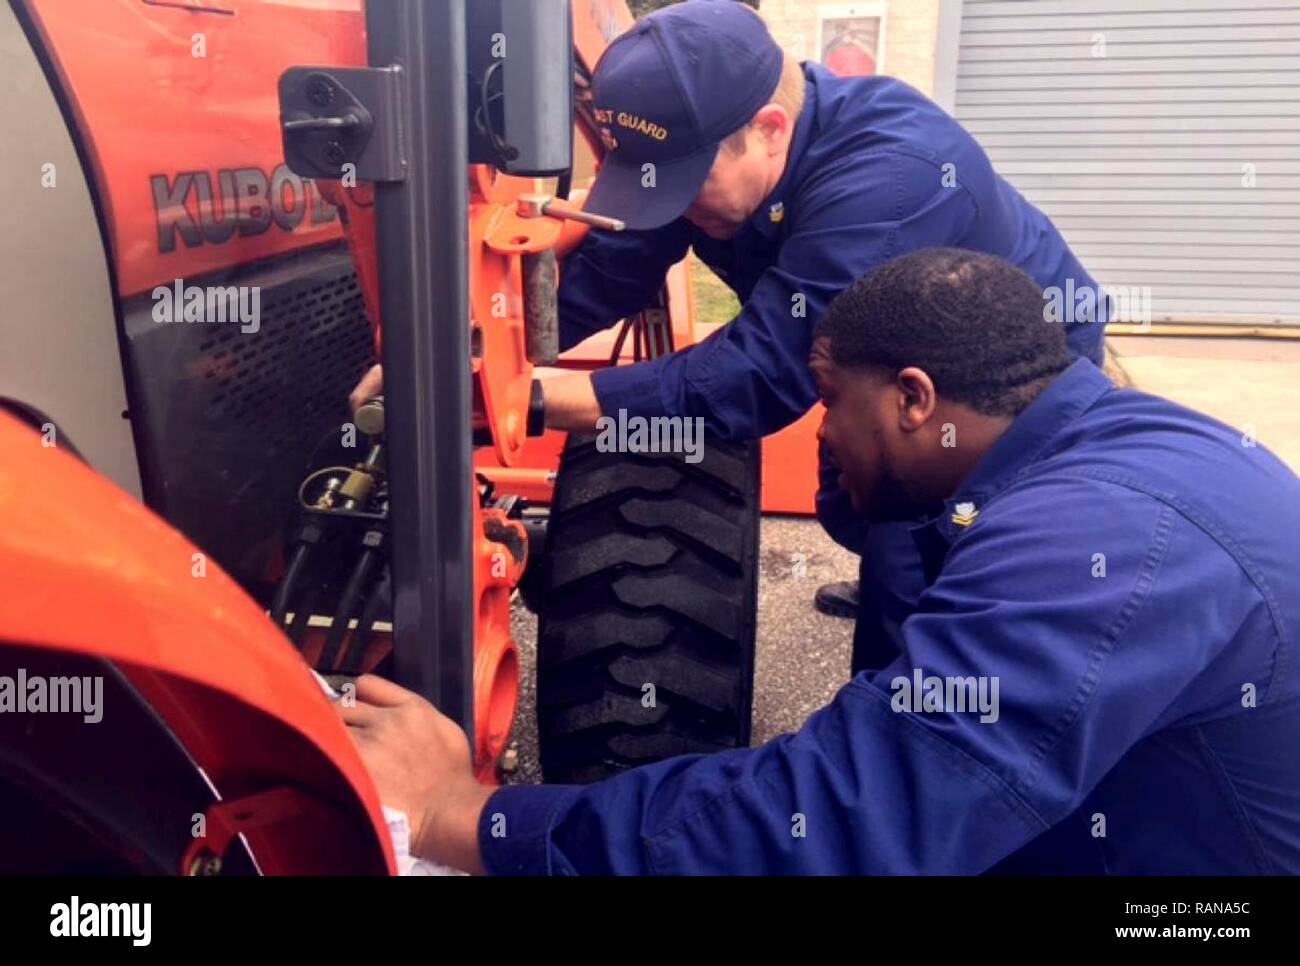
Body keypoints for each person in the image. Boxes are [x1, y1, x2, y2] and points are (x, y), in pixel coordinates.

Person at [341, 248, 1300, 875]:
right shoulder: (1098, 445)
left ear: (916, 398)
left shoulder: (1100, 544)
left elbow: (841, 820)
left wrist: (459, 820)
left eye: (831, 399)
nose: (818, 428)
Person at [350, 0, 1112, 658]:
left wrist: (530, 397)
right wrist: (466, 352)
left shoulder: (894, 175)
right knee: (847, 496)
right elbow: (610, 272)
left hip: (1008, 375)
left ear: (771, 128)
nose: (671, 203)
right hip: (883, 355)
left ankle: (915, 708)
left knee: (923, 556)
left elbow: (760, 375)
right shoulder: (704, 159)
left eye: (684, 184)